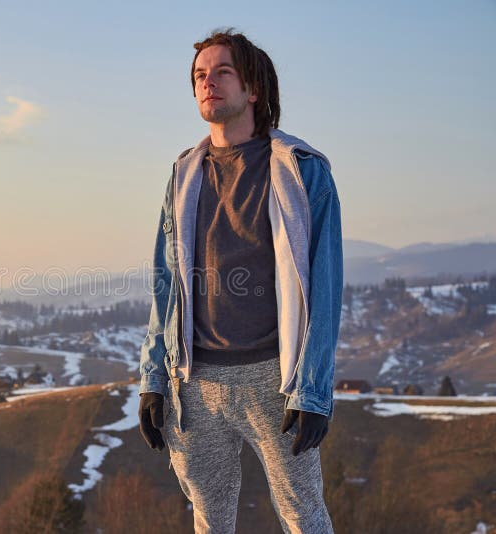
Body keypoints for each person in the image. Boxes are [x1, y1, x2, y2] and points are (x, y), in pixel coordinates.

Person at [138, 28, 343, 533]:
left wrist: (312, 391)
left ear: (253, 88)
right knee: (209, 520)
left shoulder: (302, 170)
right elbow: (166, 285)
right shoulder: (183, 175)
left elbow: (325, 288)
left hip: (275, 379)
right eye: (199, 76)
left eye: (222, 72)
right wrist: (153, 378)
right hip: (195, 382)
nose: (208, 83)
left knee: (304, 516)